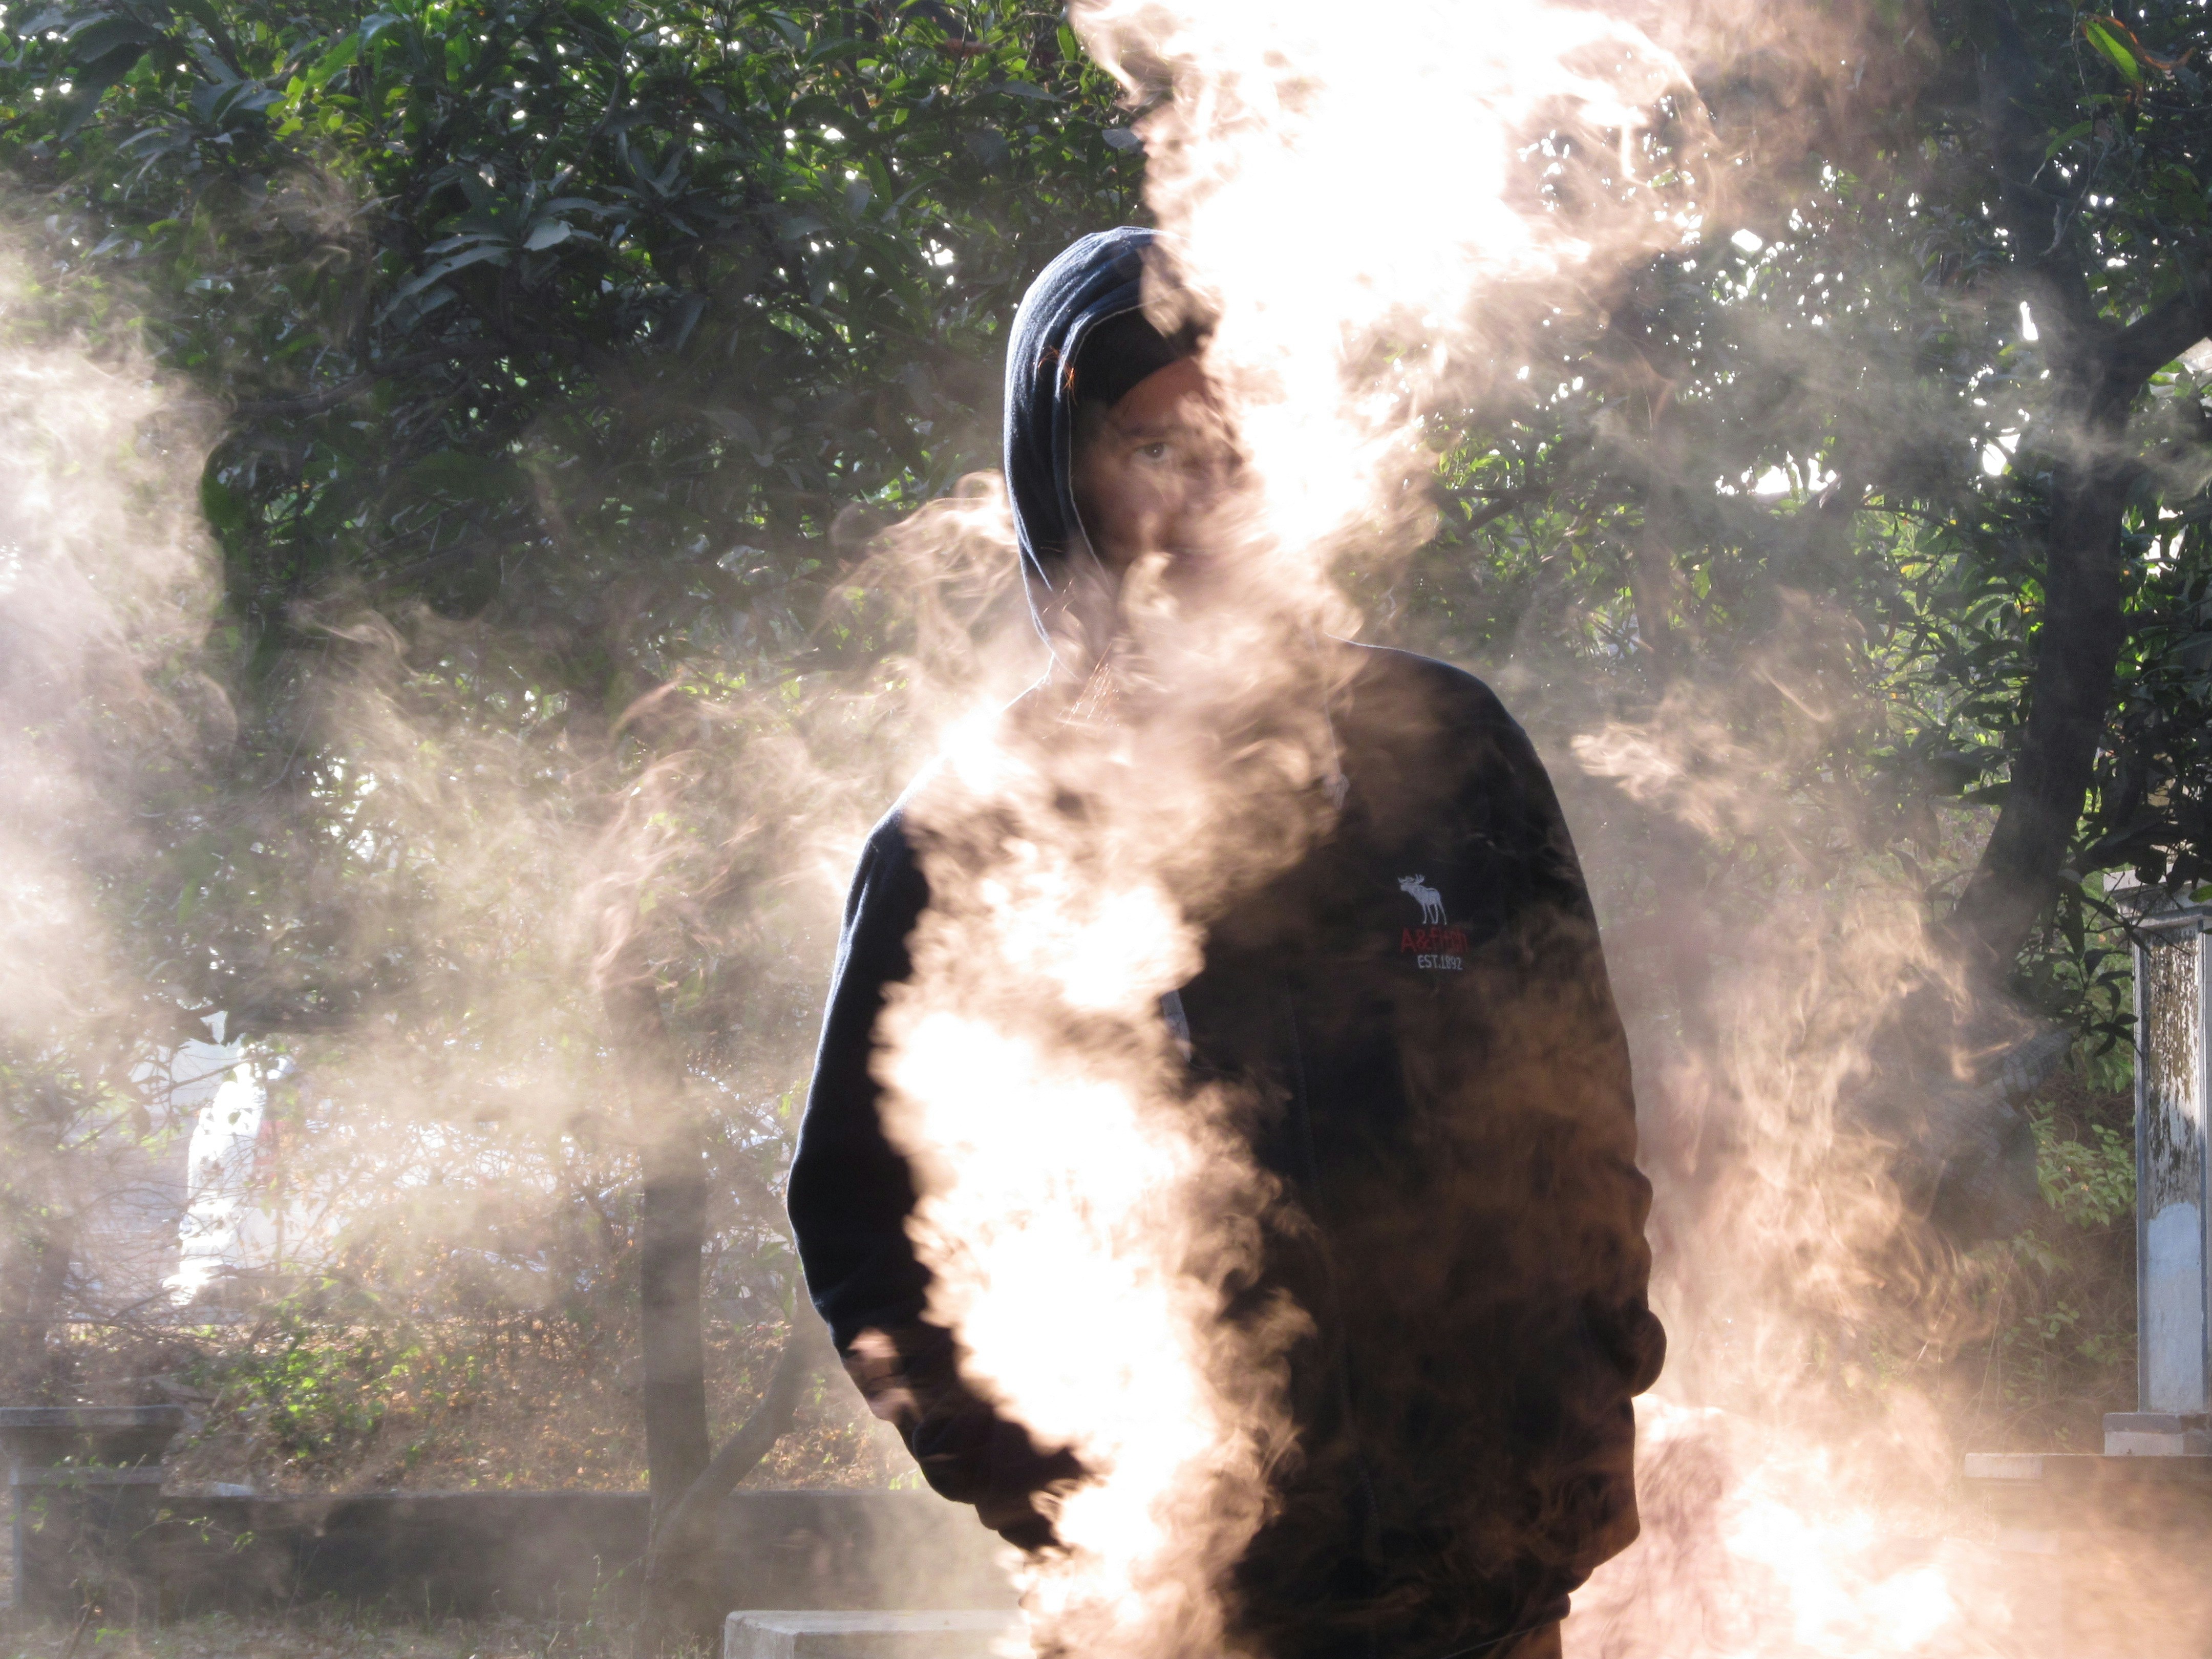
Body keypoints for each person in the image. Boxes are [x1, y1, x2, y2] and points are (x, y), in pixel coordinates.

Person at [786, 226, 1665, 1659]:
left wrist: (1572, 1431)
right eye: (1152, 449)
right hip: (1172, 1612)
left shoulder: (1452, 756)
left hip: (1483, 1600)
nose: (1208, 496)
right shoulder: (970, 842)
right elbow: (864, 1225)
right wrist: (1071, 1502)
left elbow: (1583, 1131)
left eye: (1238, 445)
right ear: (1059, 478)